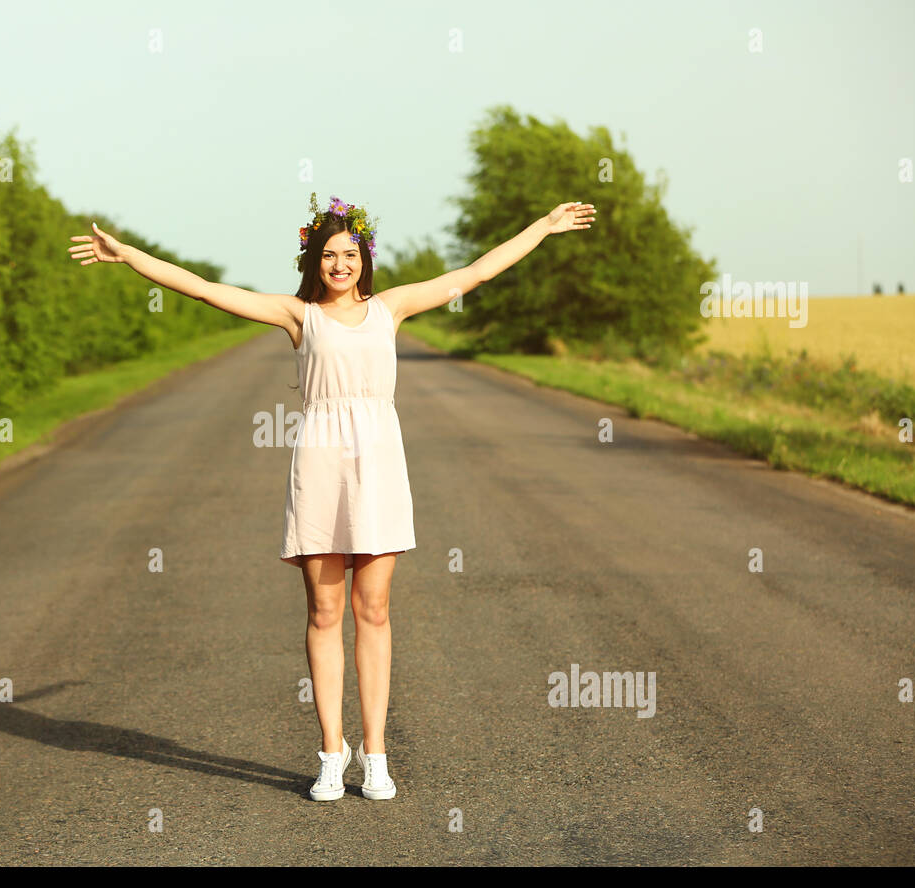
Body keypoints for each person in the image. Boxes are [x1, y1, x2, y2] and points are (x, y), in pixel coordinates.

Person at [69, 193, 595, 802]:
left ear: (364, 259)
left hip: (379, 463)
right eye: (328, 255)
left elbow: (474, 272)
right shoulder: (298, 316)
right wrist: (128, 255)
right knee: (324, 613)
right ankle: (330, 752)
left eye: (349, 254)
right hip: (319, 465)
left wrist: (545, 226)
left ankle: (375, 755)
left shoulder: (390, 309)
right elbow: (205, 288)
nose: (339, 265)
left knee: (373, 612)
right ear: (312, 261)